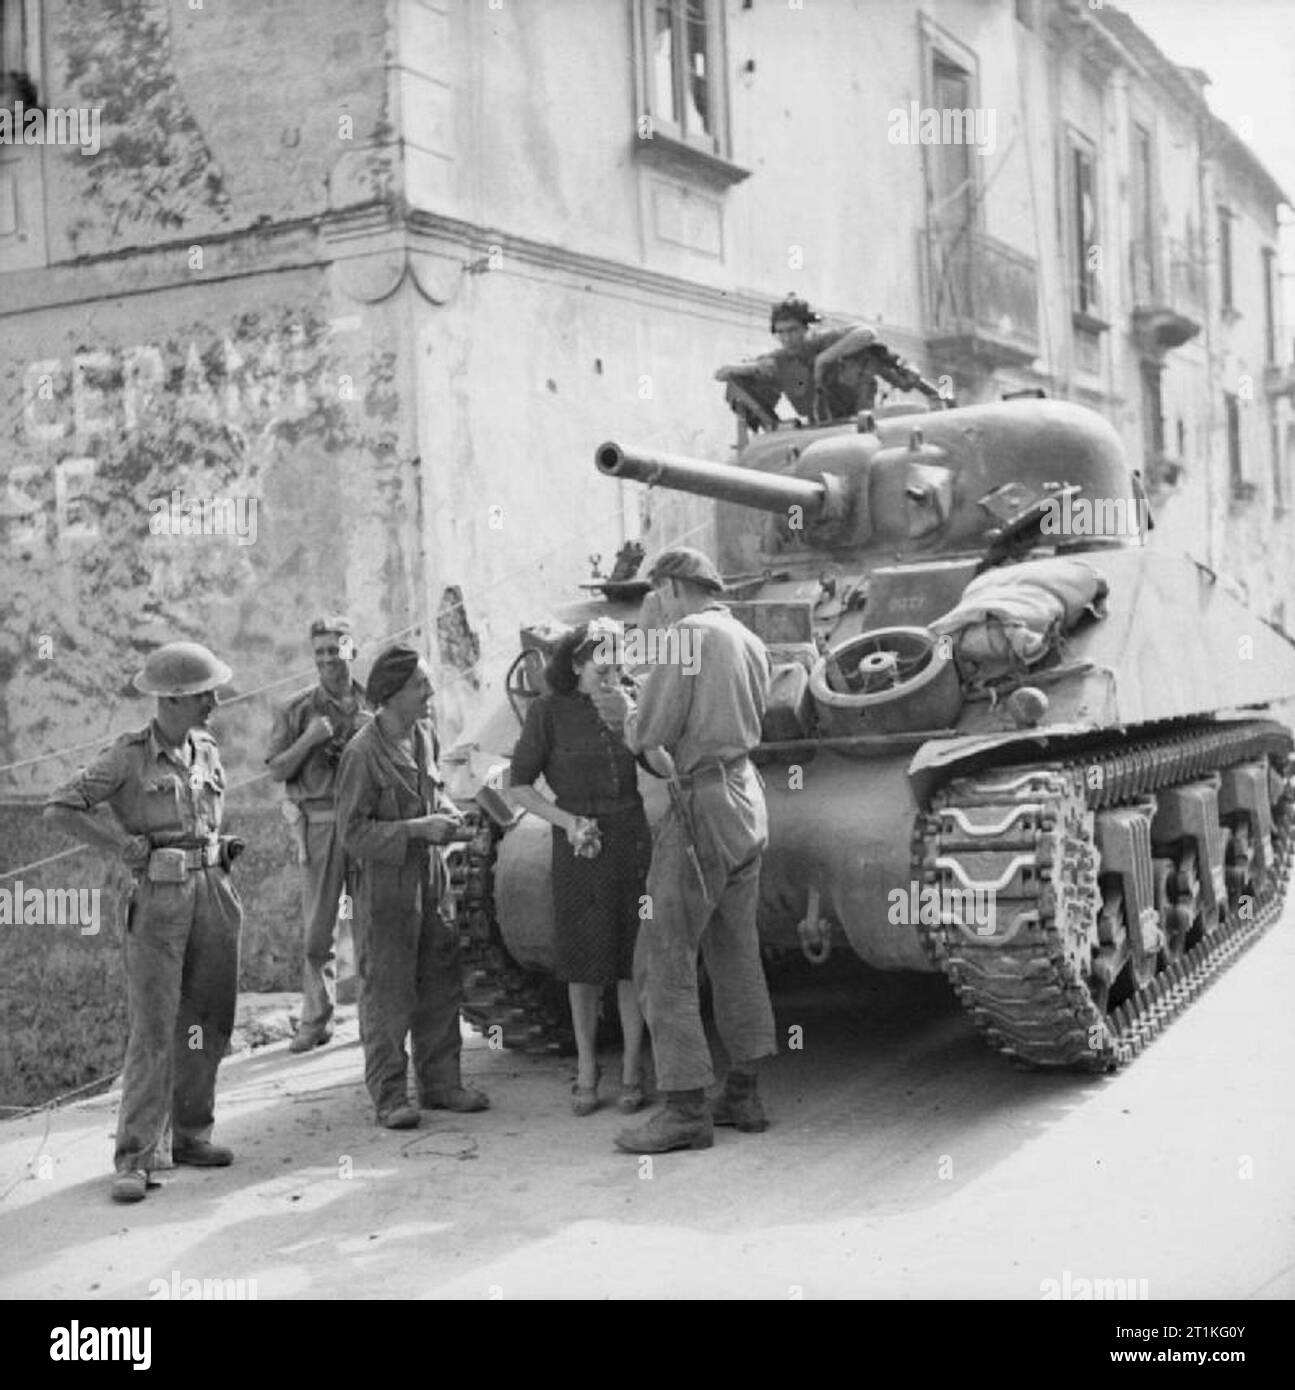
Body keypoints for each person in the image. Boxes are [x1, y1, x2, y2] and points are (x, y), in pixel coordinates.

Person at [43, 641, 244, 1204]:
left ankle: (191, 1134)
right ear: (173, 699)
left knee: (207, 1019)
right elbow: (60, 807)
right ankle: (136, 1156)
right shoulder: (128, 757)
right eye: (204, 694)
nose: (214, 702)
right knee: (155, 1029)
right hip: (159, 900)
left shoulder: (206, 749)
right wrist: (120, 846)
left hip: (214, 890)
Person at [592, 547, 778, 1154]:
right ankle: (743, 1093)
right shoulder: (746, 638)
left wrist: (625, 712)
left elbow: (652, 734)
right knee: (735, 950)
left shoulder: (687, 636)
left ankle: (685, 1109)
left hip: (700, 803)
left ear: (671, 587)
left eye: (658, 593)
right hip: (745, 795)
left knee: (664, 956)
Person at [335, 643, 489, 1129]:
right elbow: (352, 834)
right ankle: (390, 1097)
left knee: (440, 981)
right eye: (420, 685)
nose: (429, 692)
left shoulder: (423, 736)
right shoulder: (361, 753)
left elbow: (433, 792)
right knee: (388, 991)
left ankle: (441, 1084)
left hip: (430, 878)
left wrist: (447, 814)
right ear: (393, 693)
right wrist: (417, 829)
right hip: (386, 887)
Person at [506, 619, 652, 1117]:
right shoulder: (547, 713)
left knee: (632, 958)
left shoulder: (630, 700)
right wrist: (567, 822)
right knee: (583, 961)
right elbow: (519, 785)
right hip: (579, 843)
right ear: (575, 664)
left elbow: (658, 760)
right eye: (601, 666)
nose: (611, 675)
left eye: (618, 665)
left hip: (630, 837)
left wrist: (633, 718)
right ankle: (587, 1068)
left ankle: (632, 1068)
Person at [265, 615, 371, 1054]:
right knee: (317, 933)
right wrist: (309, 740)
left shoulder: (374, 705)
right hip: (321, 827)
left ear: (352, 650)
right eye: (321, 651)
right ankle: (315, 1018)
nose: (329, 659)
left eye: (336, 649)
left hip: (367, 825)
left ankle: (373, 1017)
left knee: (370, 925)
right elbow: (276, 769)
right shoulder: (297, 710)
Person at [714, 294, 881, 426]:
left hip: (860, 423)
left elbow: (868, 333)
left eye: (792, 330)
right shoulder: (780, 359)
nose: (786, 338)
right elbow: (721, 374)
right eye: (780, 333)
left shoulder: (823, 341)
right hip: (820, 429)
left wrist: (824, 358)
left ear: (806, 328)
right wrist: (753, 367)